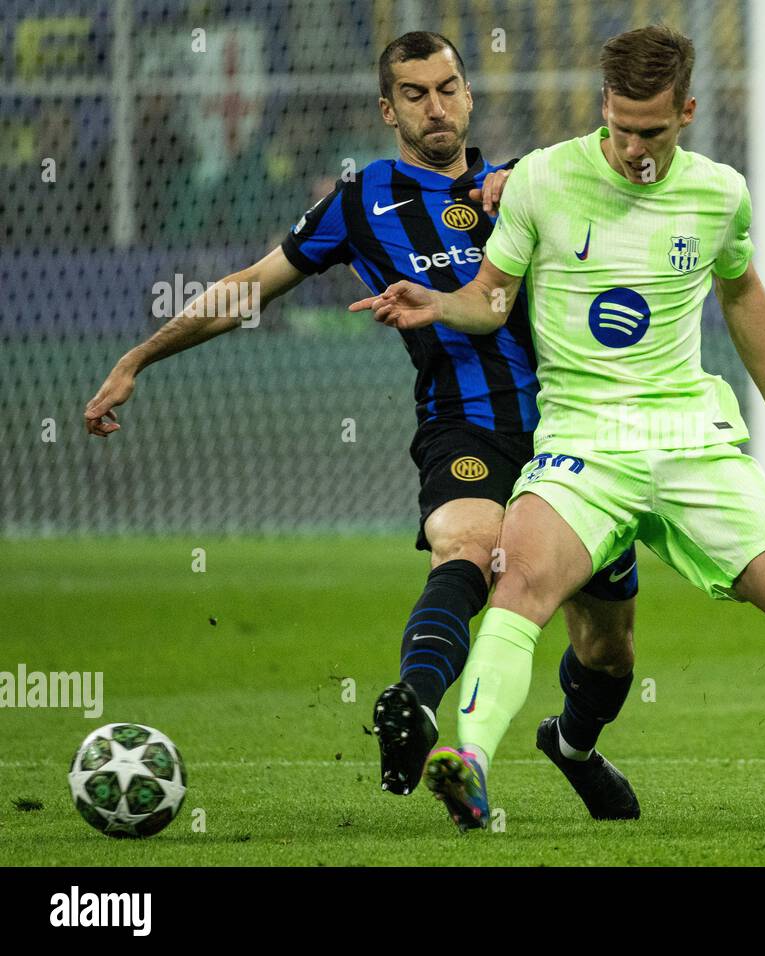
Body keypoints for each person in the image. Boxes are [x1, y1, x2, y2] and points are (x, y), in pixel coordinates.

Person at [349, 25, 765, 831]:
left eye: (652, 131)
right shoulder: (543, 181)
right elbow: (492, 298)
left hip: (690, 441)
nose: (633, 148)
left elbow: (742, 291)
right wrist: (437, 302)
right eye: (620, 126)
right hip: (581, 445)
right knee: (515, 583)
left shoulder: (720, 193)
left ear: (686, 111)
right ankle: (472, 761)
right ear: (603, 108)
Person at [84, 31, 641, 822]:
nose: (435, 106)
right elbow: (253, 286)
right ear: (388, 109)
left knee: (608, 648)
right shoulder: (359, 201)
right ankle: (413, 706)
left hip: (574, 432)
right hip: (465, 424)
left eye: (448, 87)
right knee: (469, 547)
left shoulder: (528, 184)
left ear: (469, 95)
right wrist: (140, 357)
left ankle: (573, 744)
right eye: (414, 94)